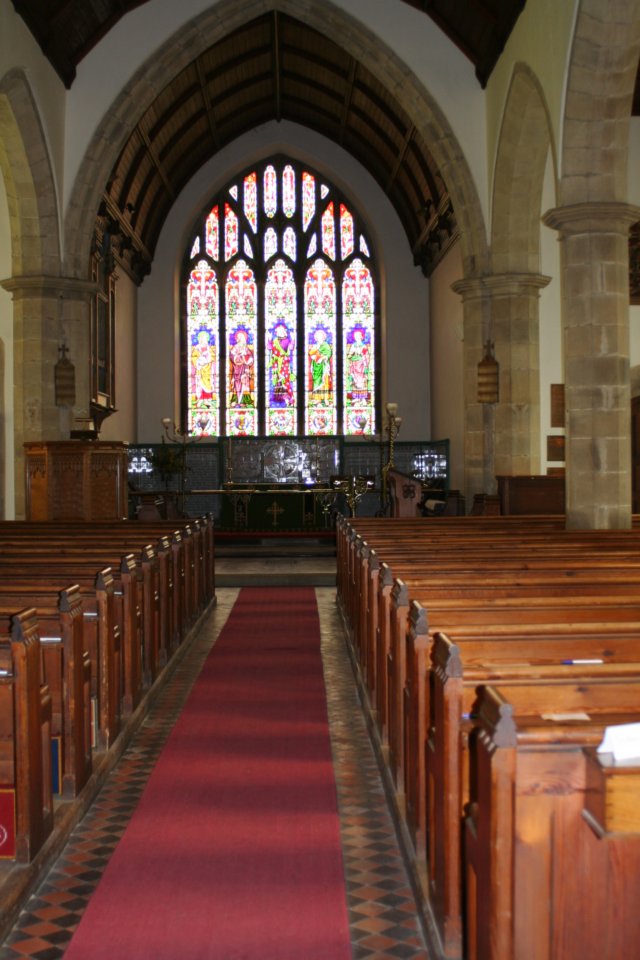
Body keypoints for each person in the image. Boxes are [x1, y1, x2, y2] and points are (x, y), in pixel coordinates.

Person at [270, 322, 294, 405]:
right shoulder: (275, 340)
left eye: (280, 331)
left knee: (284, 380)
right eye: (277, 331)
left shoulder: (286, 340)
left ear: (284, 331)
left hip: (284, 363)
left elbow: (290, 348)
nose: (278, 333)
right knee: (278, 381)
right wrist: (269, 338)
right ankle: (279, 398)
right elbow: (270, 347)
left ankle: (288, 398)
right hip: (276, 364)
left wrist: (293, 339)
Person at [229, 329, 255, 405]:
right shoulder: (235, 347)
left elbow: (250, 357)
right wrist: (238, 357)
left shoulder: (246, 348)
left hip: (245, 368)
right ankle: (236, 399)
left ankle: (245, 400)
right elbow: (232, 356)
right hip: (237, 368)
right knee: (237, 382)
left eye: (243, 338)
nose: (242, 340)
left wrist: (245, 357)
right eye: (241, 338)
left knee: (245, 383)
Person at [191, 329, 215, 400]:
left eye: (203, 338)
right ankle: (200, 399)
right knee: (199, 383)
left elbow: (213, 356)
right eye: (200, 338)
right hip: (200, 369)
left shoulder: (209, 348)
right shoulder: (196, 348)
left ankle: (208, 400)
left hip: (208, 369)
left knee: (208, 383)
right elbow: (193, 358)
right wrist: (199, 361)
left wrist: (208, 359)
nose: (202, 340)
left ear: (207, 339)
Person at [308, 328, 332, 399]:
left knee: (324, 380)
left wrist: (322, 358)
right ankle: (317, 398)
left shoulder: (326, 345)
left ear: (323, 337)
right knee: (316, 381)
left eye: (320, 336)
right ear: (316, 338)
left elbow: (328, 354)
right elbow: (311, 354)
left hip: (324, 365)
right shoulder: (315, 346)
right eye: (318, 336)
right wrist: (314, 356)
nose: (319, 337)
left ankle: (325, 398)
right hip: (316, 366)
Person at [346, 328, 370, 394]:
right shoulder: (353, 345)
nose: (356, 337)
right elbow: (350, 354)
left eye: (358, 336)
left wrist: (362, 355)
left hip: (361, 365)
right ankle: (356, 396)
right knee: (355, 379)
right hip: (354, 364)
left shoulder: (364, 346)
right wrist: (350, 355)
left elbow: (366, 356)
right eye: (355, 336)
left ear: (361, 337)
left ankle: (362, 398)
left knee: (361, 380)